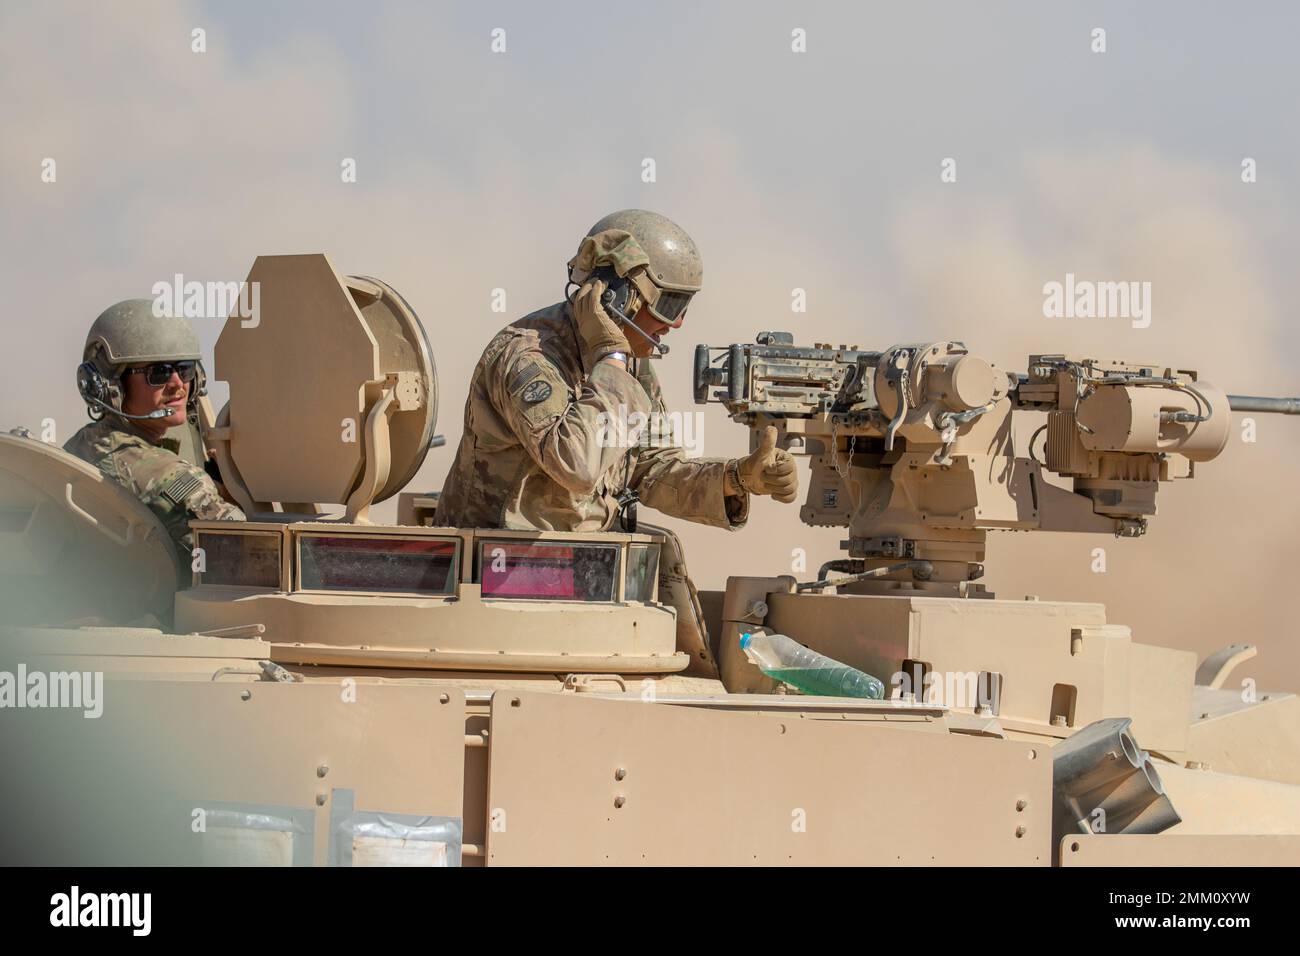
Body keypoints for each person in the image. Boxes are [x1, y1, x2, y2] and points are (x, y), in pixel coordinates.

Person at [436, 209, 799, 533]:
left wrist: (738, 478)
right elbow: (576, 466)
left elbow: (652, 471)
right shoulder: (529, 357)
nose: (676, 324)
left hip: (579, 566)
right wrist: (611, 355)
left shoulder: (626, 369)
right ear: (618, 295)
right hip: (493, 568)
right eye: (669, 304)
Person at [64, 299, 245, 565]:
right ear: (110, 386)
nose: (178, 384)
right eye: (158, 373)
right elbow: (252, 551)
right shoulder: (171, 479)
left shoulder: (79, 446)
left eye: (184, 369)